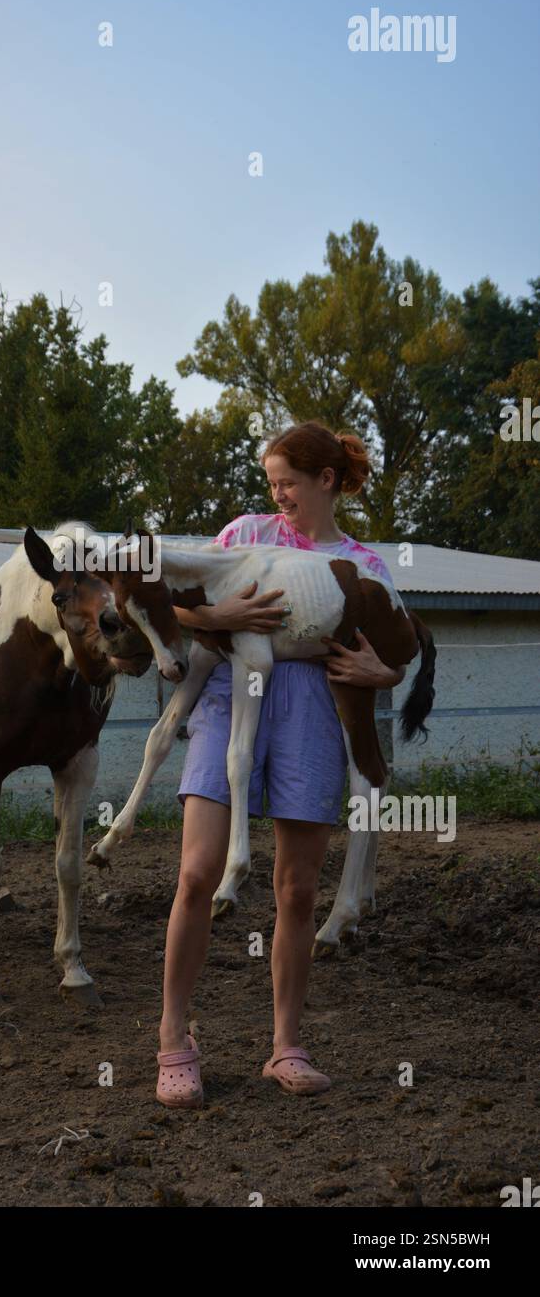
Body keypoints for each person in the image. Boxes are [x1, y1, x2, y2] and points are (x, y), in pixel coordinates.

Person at [155, 421, 406, 1105]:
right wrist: (218, 615)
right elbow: (172, 599)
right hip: (230, 700)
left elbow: (391, 657)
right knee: (198, 873)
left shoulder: (364, 565)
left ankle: (286, 1046)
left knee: (296, 891)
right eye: (271, 483)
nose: (278, 496)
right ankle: (174, 1040)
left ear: (326, 481)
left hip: (313, 714)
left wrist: (382, 675)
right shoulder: (243, 537)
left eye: (288, 483)